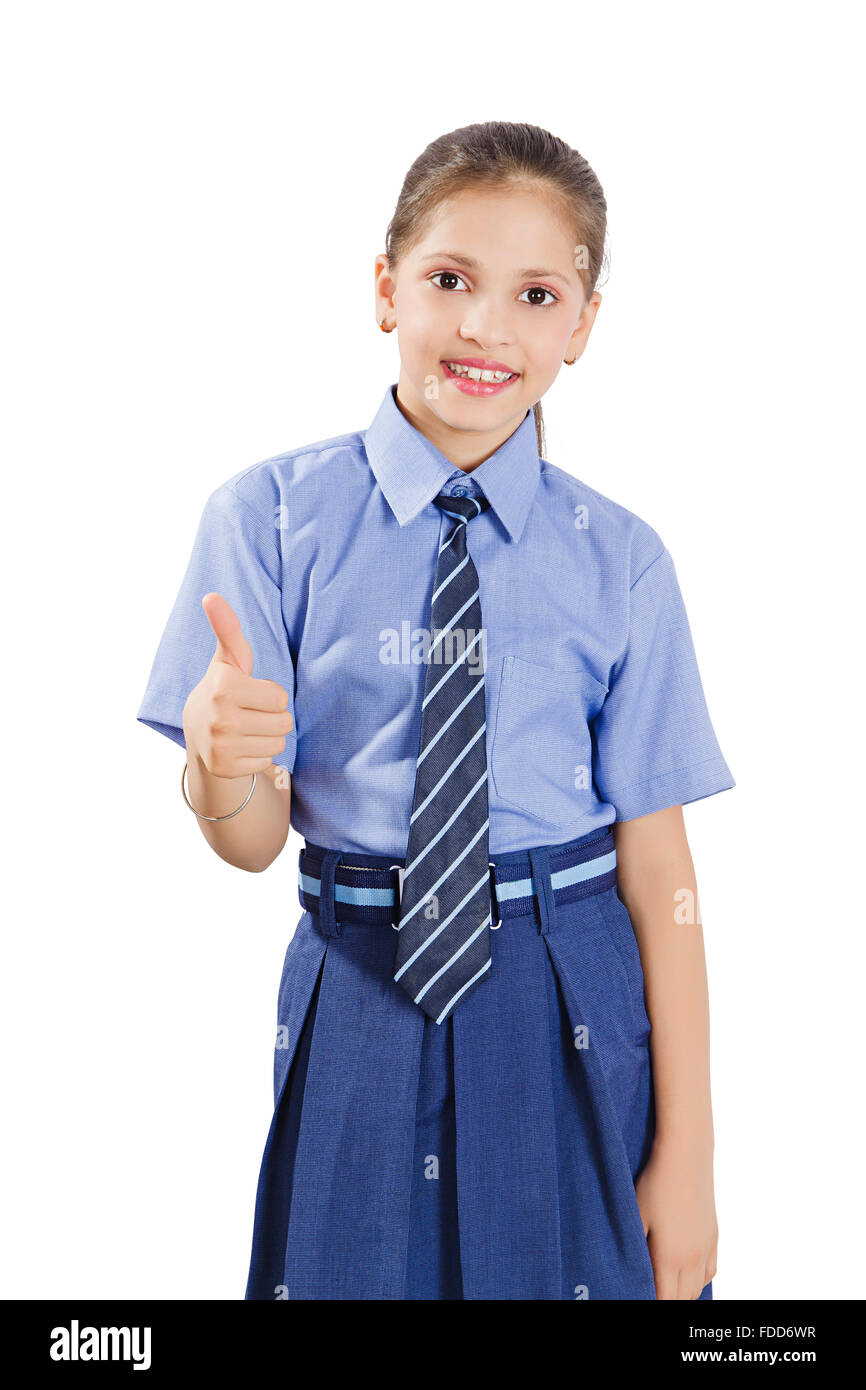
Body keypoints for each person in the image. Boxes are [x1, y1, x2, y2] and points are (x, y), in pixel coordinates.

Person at [137, 120, 735, 1300]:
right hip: (358, 973)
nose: (483, 326)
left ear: (581, 326)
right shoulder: (266, 518)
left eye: (535, 293)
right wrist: (217, 771)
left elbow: (661, 871)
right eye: (449, 280)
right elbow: (254, 841)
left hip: (565, 982)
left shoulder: (618, 560)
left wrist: (691, 1157)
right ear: (384, 289)